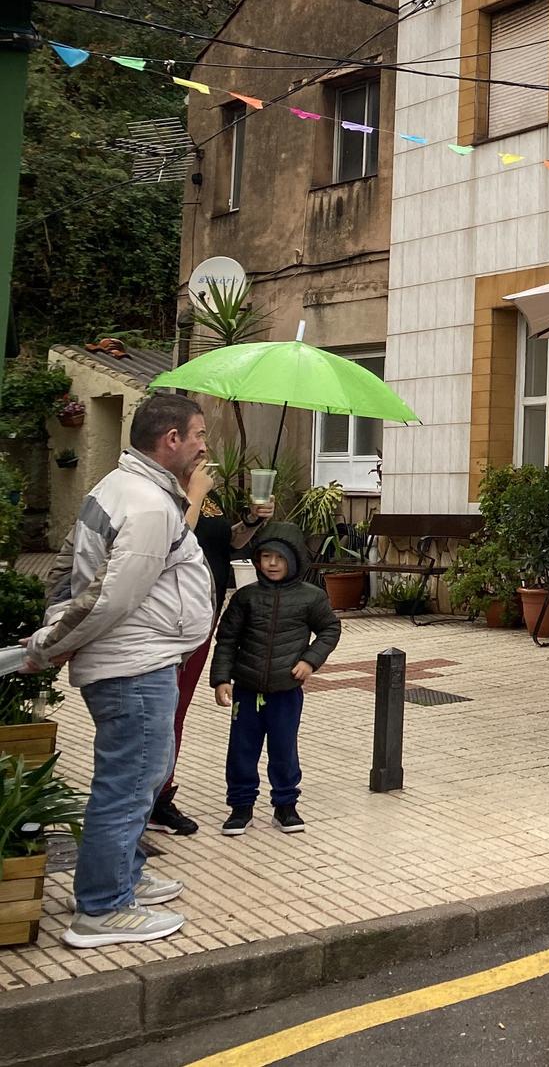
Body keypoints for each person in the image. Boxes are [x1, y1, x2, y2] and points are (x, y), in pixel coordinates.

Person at [21, 395, 214, 948]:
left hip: (136, 661)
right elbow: (108, 598)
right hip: (133, 666)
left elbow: (70, 572)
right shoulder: (149, 504)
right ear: (171, 439)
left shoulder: (121, 487)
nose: (204, 446)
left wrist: (54, 629)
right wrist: (50, 644)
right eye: (198, 434)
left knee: (139, 777)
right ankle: (102, 909)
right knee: (129, 784)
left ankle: (123, 876)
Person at [146, 469, 271, 838]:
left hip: (203, 614)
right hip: (171, 621)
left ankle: (159, 795)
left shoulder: (208, 495)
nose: (204, 451)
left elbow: (224, 544)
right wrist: (195, 495)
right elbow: (171, 543)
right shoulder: (159, 492)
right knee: (162, 709)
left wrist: (249, 521)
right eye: (197, 439)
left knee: (177, 708)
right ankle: (149, 798)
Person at [209, 523, 340, 835]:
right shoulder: (246, 597)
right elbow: (226, 639)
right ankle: (241, 807)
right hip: (246, 689)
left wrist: (310, 660)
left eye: (279, 558)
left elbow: (330, 629)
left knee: (284, 748)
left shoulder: (311, 597)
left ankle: (285, 806)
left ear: (293, 560)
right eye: (265, 556)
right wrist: (220, 678)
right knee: (241, 749)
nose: (271, 563)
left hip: (286, 691)